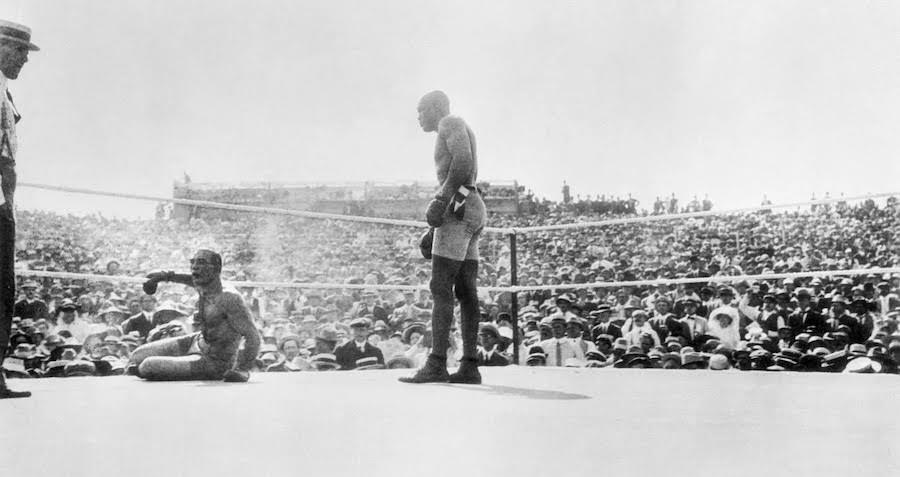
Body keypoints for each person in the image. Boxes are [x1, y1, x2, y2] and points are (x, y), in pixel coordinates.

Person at [401, 91, 486, 385]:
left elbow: (462, 161)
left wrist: (441, 199)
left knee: (440, 286)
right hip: (470, 202)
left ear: (436, 108)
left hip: (460, 203)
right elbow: (465, 175)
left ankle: (437, 362)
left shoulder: (449, 122)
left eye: (421, 110)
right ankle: (470, 365)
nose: (419, 117)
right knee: (466, 290)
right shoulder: (457, 125)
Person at [128, 249, 261, 382]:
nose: (195, 266)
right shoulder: (204, 283)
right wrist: (165, 276)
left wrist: (242, 369)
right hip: (197, 341)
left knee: (148, 366)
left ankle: (144, 370)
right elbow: (189, 278)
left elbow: (253, 336)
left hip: (216, 360)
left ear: (216, 268)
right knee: (137, 355)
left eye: (201, 262)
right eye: (193, 262)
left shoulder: (229, 297)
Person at [0, 20, 38, 398]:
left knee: (3, 287)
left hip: (3, 198)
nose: (24, 59)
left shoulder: (4, 91)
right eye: (19, 51)